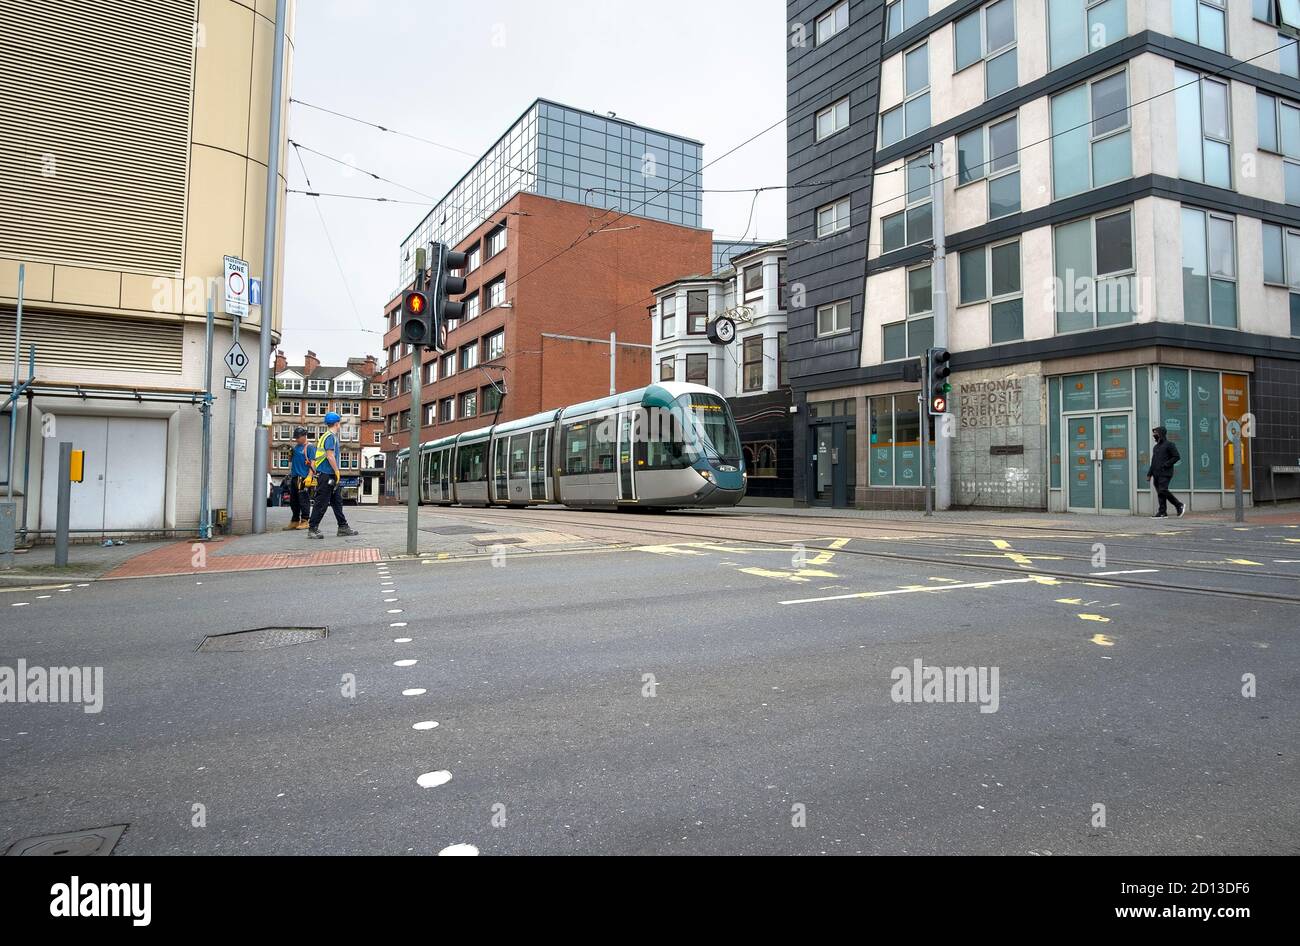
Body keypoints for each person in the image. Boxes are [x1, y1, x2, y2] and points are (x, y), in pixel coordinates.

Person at [307, 412, 360, 539]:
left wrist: (312, 472)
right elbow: (330, 456)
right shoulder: (330, 437)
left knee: (337, 501)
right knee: (321, 503)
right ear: (337, 423)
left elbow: (316, 457)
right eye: (339, 423)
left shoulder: (325, 436)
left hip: (326, 474)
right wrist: (337, 471)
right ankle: (312, 528)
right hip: (327, 475)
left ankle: (343, 526)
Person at [1146, 425, 1185, 519]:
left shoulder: (1170, 444)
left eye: (1156, 433)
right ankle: (1162, 512)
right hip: (1156, 474)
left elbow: (1176, 457)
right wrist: (1149, 474)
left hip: (1165, 472)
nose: (1154, 434)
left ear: (1161, 433)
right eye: (1154, 433)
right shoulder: (1156, 447)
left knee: (1163, 489)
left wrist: (1166, 465)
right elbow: (1153, 461)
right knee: (1160, 492)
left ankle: (1179, 505)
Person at [282, 426, 313, 530]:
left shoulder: (309, 447)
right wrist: (290, 454)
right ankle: (295, 520)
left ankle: (305, 521)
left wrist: (309, 476)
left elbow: (313, 462)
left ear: (304, 436)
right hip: (294, 476)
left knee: (303, 500)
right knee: (293, 500)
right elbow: (291, 461)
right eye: (295, 437)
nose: (296, 439)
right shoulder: (296, 447)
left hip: (303, 477)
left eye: (298, 437)